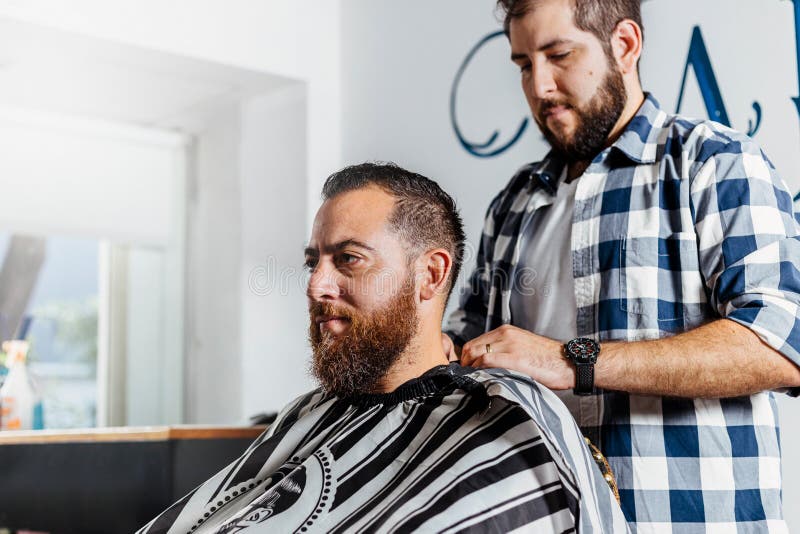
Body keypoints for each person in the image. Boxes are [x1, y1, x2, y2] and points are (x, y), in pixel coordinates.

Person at [444, 0, 800, 531]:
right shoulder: (515, 200)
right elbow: (465, 343)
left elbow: (780, 344)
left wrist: (573, 361)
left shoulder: (716, 162)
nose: (539, 86)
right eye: (523, 64)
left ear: (625, 45)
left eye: (558, 54)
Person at [137, 163, 628, 533]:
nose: (316, 286)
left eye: (348, 259)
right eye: (314, 262)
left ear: (429, 274)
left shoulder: (500, 425)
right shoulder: (309, 416)